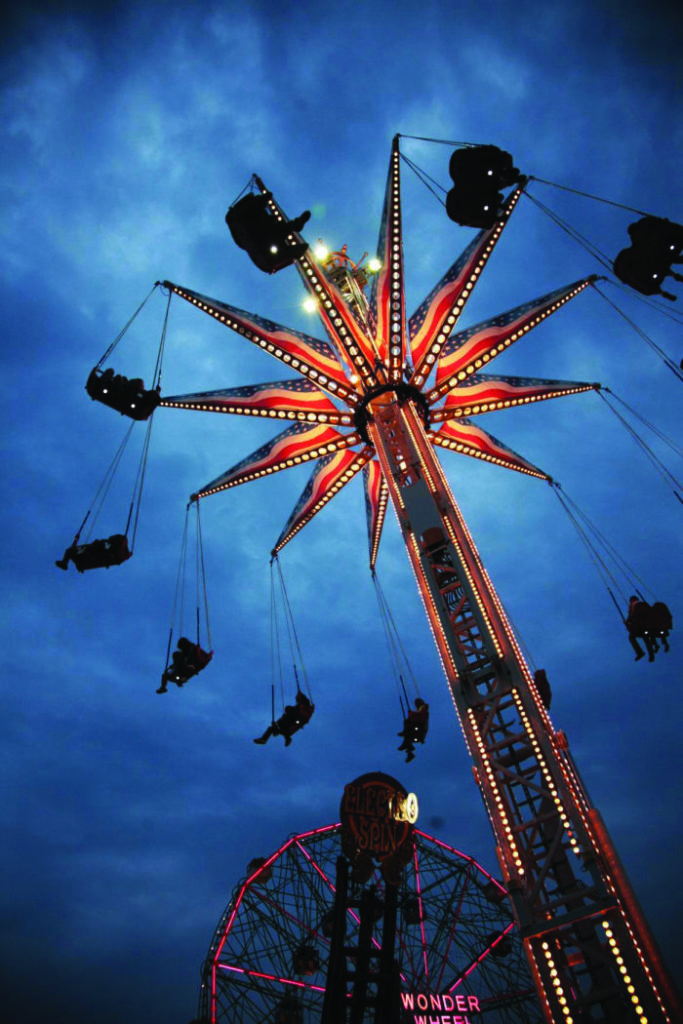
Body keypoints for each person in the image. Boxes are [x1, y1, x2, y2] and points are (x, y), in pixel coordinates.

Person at [625, 595, 657, 662]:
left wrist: (628, 621)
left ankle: (642, 653)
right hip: (643, 626)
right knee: (645, 639)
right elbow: (632, 616)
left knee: (633, 637)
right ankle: (649, 654)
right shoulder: (637, 606)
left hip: (641, 626)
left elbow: (635, 615)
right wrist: (628, 622)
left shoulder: (637, 605)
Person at [398, 697, 430, 763]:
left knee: (407, 724)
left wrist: (411, 713)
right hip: (418, 729)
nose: (416, 705)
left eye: (417, 703)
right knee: (408, 735)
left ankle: (409, 750)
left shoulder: (423, 708)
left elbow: (420, 717)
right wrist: (411, 714)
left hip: (419, 729)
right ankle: (409, 752)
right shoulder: (422, 709)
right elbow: (418, 716)